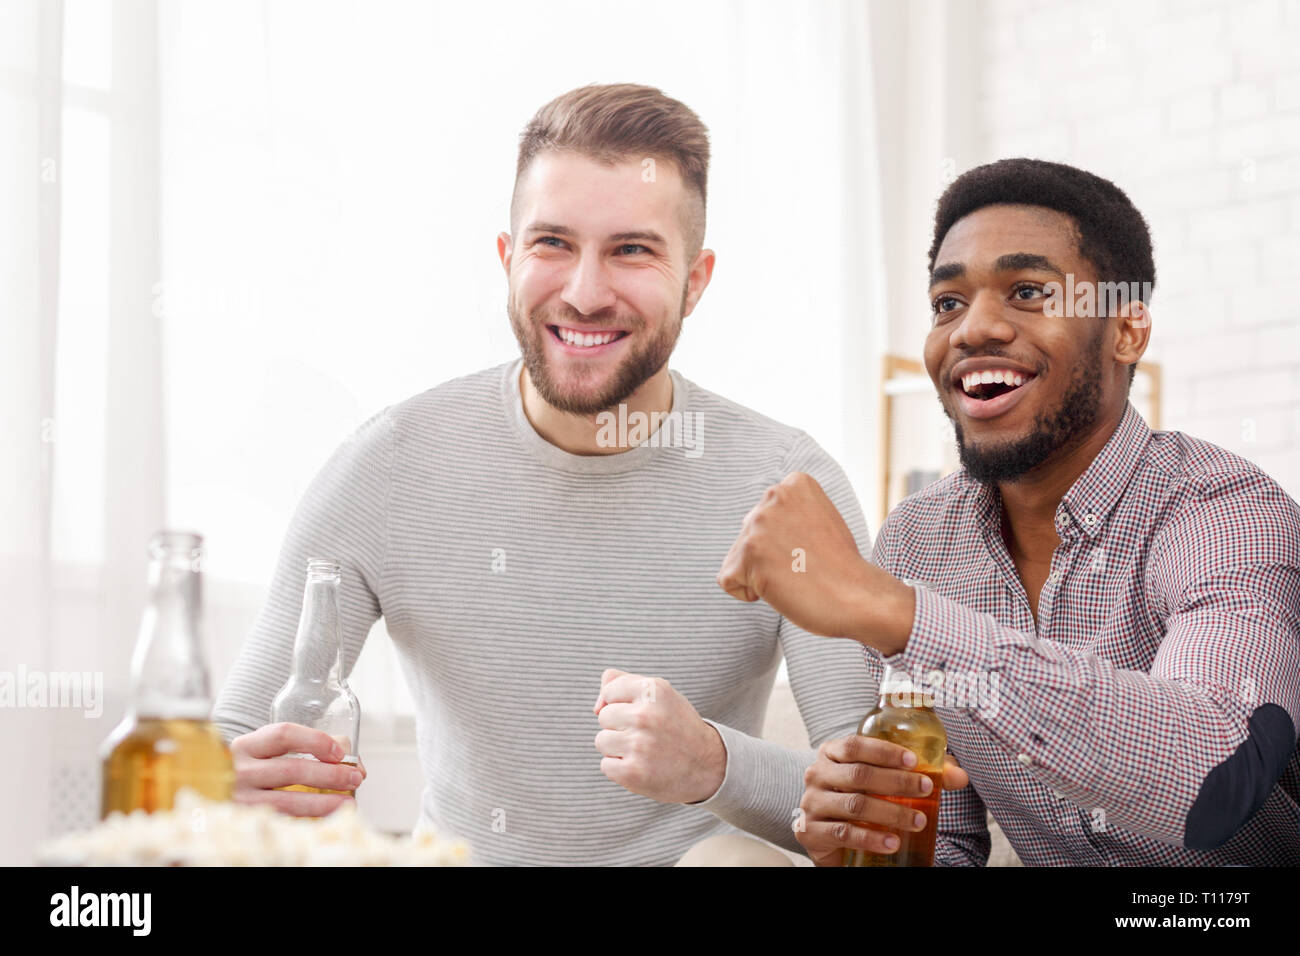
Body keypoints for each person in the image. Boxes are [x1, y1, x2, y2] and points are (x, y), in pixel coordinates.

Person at [212, 83, 873, 866]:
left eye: (632, 249)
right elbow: (237, 740)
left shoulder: (788, 487)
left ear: (696, 281)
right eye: (552, 243)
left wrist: (713, 766)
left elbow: (878, 808)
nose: (585, 293)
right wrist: (233, 781)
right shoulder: (390, 464)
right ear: (507, 258)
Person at [719, 158, 1300, 865]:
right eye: (947, 303)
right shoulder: (917, 542)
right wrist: (869, 839)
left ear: (1128, 332)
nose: (973, 330)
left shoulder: (1227, 513)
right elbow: (952, 846)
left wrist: (904, 615)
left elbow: (1215, 778)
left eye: (1027, 292)